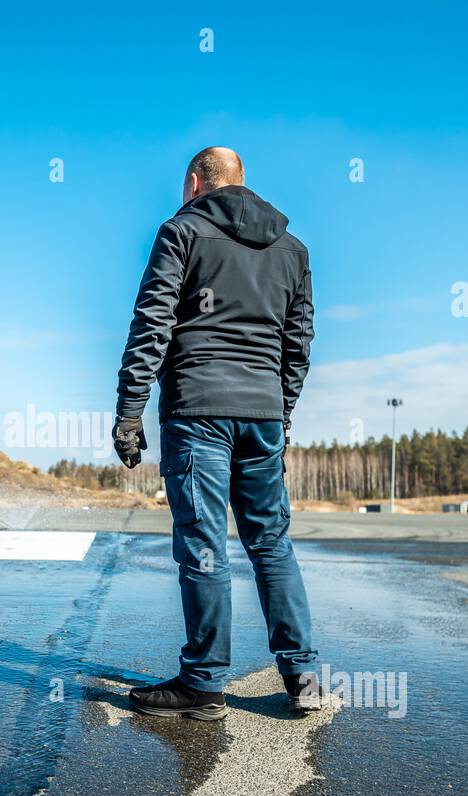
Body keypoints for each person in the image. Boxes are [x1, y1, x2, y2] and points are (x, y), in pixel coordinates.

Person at [113, 146, 320, 719]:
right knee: (271, 544)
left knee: (204, 547)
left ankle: (203, 686)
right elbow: (298, 344)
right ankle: (301, 675)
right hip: (263, 417)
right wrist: (281, 410)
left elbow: (152, 322)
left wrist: (130, 411)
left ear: (194, 181)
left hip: (198, 410)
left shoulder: (182, 231)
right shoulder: (292, 249)